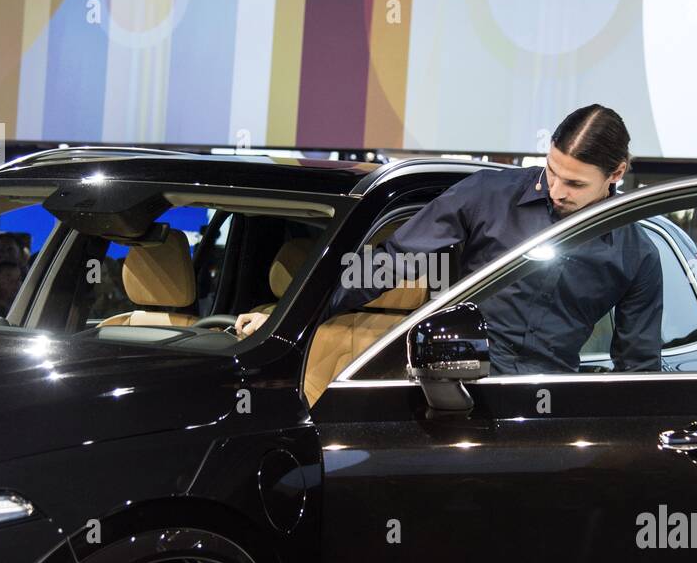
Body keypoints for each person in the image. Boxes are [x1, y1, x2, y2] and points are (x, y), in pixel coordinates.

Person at [235, 104, 663, 373]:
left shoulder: (637, 253)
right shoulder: (486, 196)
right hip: (456, 387)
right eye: (551, 170)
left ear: (616, 174)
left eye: (574, 183)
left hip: (548, 405)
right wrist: (289, 316)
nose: (555, 190)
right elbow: (391, 262)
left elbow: (639, 366)